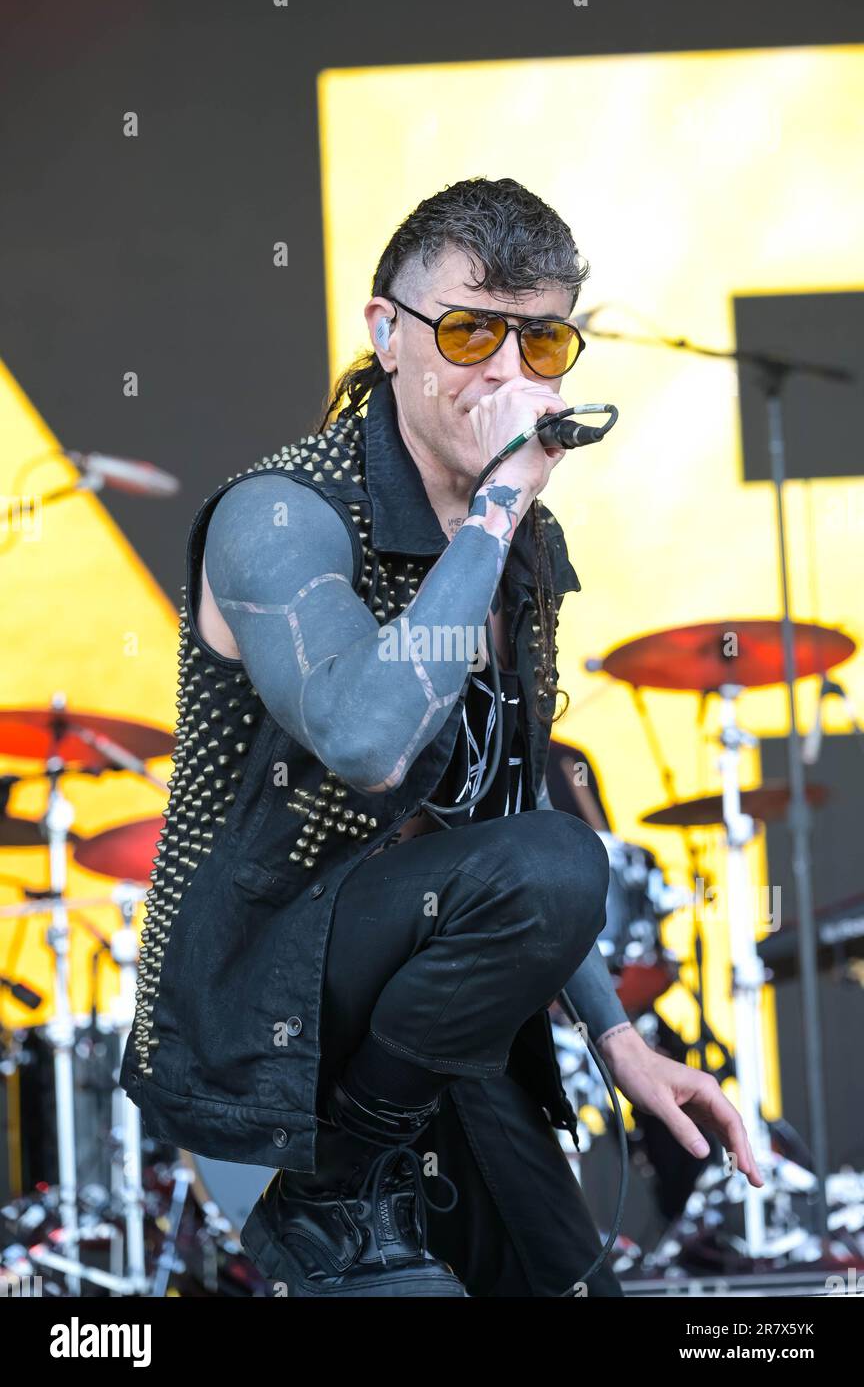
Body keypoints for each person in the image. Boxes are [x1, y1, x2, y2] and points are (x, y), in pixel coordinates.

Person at [120, 176, 762, 1298]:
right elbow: (370, 742)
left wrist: (619, 1043)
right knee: (565, 857)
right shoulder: (280, 513)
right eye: (469, 331)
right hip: (268, 1016)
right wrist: (497, 509)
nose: (505, 374)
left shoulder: (517, 539)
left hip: (427, 1039)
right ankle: (327, 1192)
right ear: (388, 334)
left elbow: (506, 819)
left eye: (542, 340)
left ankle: (355, 1179)